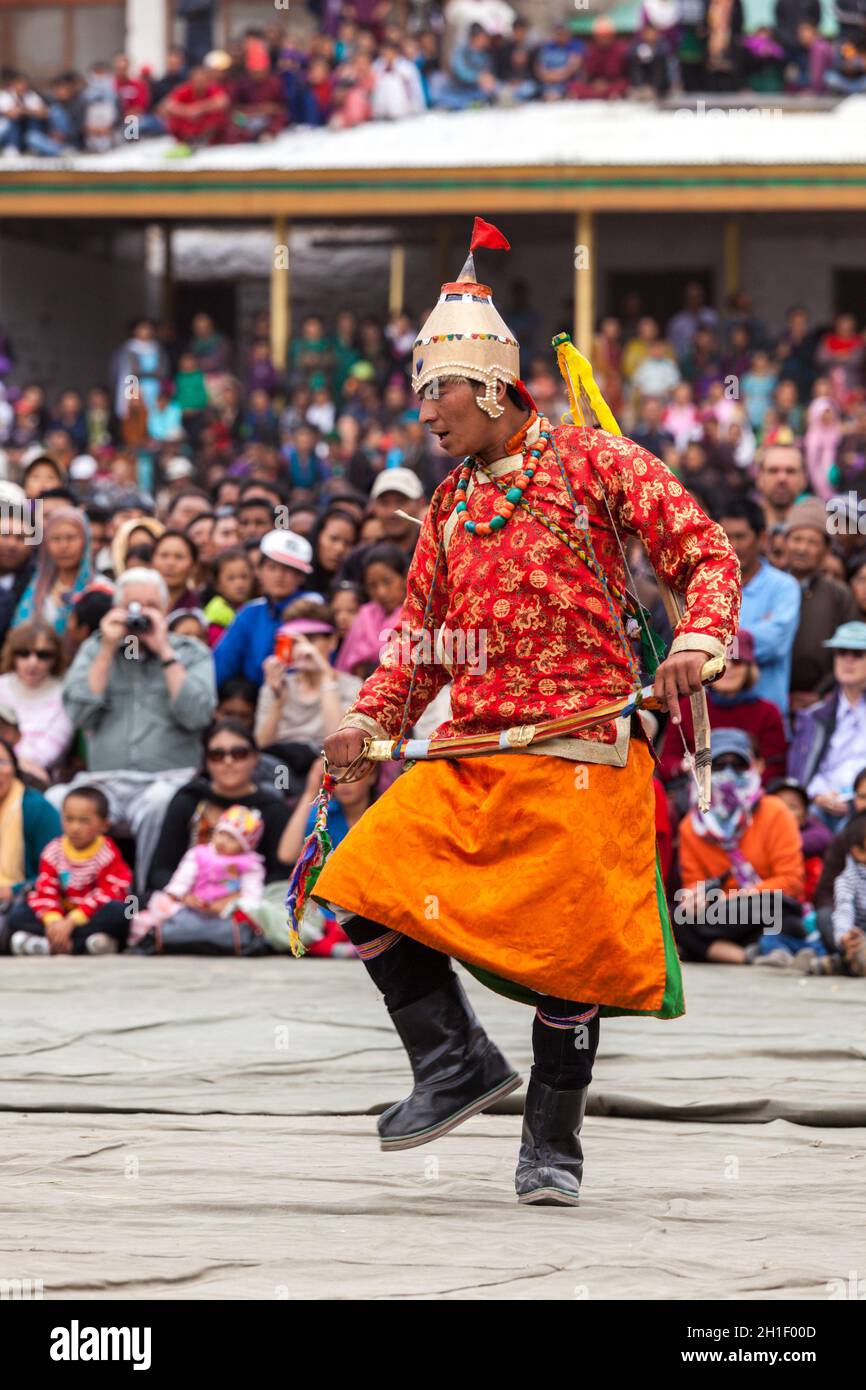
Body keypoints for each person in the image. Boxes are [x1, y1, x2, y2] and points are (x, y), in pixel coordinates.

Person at [310, 219, 740, 1206]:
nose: (426, 410)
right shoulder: (448, 509)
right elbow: (413, 644)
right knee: (356, 879)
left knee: (568, 956)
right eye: (419, 391)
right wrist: (366, 728)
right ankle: (453, 1061)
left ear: (496, 386)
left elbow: (702, 554)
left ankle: (552, 1140)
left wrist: (690, 645)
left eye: (439, 389)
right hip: (472, 755)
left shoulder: (597, 463)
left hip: (588, 747)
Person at [56, 566, 216, 889]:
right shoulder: (96, 648)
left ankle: (145, 901)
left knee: (159, 803)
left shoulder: (189, 652)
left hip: (168, 779)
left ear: (166, 610)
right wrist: (104, 650)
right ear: (117, 609)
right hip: (105, 781)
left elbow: (197, 715)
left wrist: (165, 652)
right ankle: (66, 903)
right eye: (132, 606)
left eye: (151, 606)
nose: (140, 615)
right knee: (56, 799)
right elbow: (79, 713)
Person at [677, 729, 804, 965]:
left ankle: (728, 951)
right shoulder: (690, 826)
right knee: (679, 915)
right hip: (720, 915)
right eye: (719, 765)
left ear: (756, 766)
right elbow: (693, 884)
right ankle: (748, 955)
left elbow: (791, 882)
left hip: (764, 906)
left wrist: (740, 898)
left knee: (782, 914)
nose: (728, 774)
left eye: (738, 765)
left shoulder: (775, 811)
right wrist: (695, 897)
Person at [145, 720, 289, 896]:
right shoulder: (189, 799)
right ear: (206, 762)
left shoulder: (272, 809)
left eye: (239, 753)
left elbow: (281, 875)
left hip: (248, 905)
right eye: (217, 755)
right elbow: (161, 870)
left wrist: (236, 899)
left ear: (255, 758)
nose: (228, 761)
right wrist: (187, 896)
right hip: (186, 899)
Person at [8, 785, 133, 957]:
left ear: (104, 825)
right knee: (18, 912)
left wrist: (72, 922)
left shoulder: (108, 853)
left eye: (84, 821)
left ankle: (48, 944)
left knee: (124, 911)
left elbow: (110, 893)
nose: (75, 827)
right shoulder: (53, 851)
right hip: (61, 916)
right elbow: (46, 889)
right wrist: (54, 921)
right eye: (69, 819)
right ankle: (82, 943)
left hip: (86, 917)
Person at [659, 628, 786, 791]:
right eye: (719, 661)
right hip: (694, 794)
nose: (728, 667)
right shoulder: (688, 706)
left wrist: (744, 784)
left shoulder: (767, 712)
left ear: (749, 668)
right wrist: (685, 766)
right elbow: (666, 762)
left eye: (738, 661)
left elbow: (775, 767)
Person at [130, 803, 265, 951]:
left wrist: (229, 904)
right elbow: (182, 881)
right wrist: (185, 897)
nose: (222, 841)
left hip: (226, 910)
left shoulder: (249, 864)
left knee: (252, 917)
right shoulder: (199, 854)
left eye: (231, 838)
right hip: (194, 904)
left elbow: (253, 896)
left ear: (244, 845)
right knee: (158, 911)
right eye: (221, 834)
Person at [256, 606, 360, 783]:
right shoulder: (275, 684)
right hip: (280, 770)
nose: (302, 649)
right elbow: (262, 745)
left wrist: (326, 678)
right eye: (295, 641)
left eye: (311, 640)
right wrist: (278, 699)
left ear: (333, 641)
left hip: (328, 767)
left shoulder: (353, 686)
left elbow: (340, 743)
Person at [721, 496, 800, 718]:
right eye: (725, 537)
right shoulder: (709, 588)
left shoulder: (784, 587)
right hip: (715, 715)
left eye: (740, 537)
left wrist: (719, 644)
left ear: (762, 538)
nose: (732, 545)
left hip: (766, 718)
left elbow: (775, 642)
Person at [788, 621, 866, 830]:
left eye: (858, 653)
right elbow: (799, 771)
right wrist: (817, 794)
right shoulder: (812, 716)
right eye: (841, 652)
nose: (848, 660)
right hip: (820, 807)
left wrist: (857, 798)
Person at [213, 528, 314, 688]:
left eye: (288, 570)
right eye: (272, 567)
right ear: (259, 571)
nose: (279, 575)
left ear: (301, 577)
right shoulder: (249, 613)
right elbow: (221, 666)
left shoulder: (314, 614)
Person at [785, 498, 859, 711]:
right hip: (772, 698)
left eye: (812, 542)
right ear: (784, 542)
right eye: (796, 539)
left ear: (826, 550)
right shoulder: (770, 587)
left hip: (823, 704)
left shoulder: (839, 594)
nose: (802, 548)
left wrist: (820, 693)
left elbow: (851, 649)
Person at [0, 737, 60, 946]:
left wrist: (13, 890)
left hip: (21, 902)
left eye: (2, 762)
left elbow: (59, 874)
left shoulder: (37, 809)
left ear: (15, 768)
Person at [0, 621, 74, 784]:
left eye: (43, 655)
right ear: (13, 655)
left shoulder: (65, 694)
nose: (33, 662)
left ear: (55, 658)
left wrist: (11, 761)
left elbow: (50, 752)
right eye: (24, 653)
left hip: (38, 780)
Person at [12, 507, 91, 637]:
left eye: (71, 538)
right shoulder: (34, 587)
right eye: (55, 538)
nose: (63, 546)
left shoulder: (98, 589)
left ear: (86, 541)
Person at [334, 542, 408, 679]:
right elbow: (346, 667)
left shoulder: (418, 614)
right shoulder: (365, 614)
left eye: (388, 582)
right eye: (372, 585)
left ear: (405, 577)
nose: (381, 592)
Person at [829, 814, 866, 976]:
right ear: (858, 852)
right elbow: (844, 910)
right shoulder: (847, 879)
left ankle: (837, 965)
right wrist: (845, 937)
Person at [203, 547, 256, 647]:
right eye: (231, 578)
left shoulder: (254, 607)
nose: (240, 584)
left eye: (244, 576)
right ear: (217, 584)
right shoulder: (215, 619)